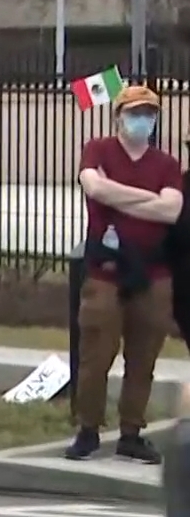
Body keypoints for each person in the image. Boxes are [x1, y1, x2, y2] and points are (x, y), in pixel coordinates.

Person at [68, 85, 178, 464]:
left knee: (143, 354)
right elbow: (92, 186)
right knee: (96, 353)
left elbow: (171, 211)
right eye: (134, 112)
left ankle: (131, 432)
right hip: (106, 268)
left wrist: (117, 195)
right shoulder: (97, 149)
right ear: (118, 115)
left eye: (148, 113)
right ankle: (88, 429)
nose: (141, 120)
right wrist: (148, 199)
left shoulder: (166, 163)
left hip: (153, 270)